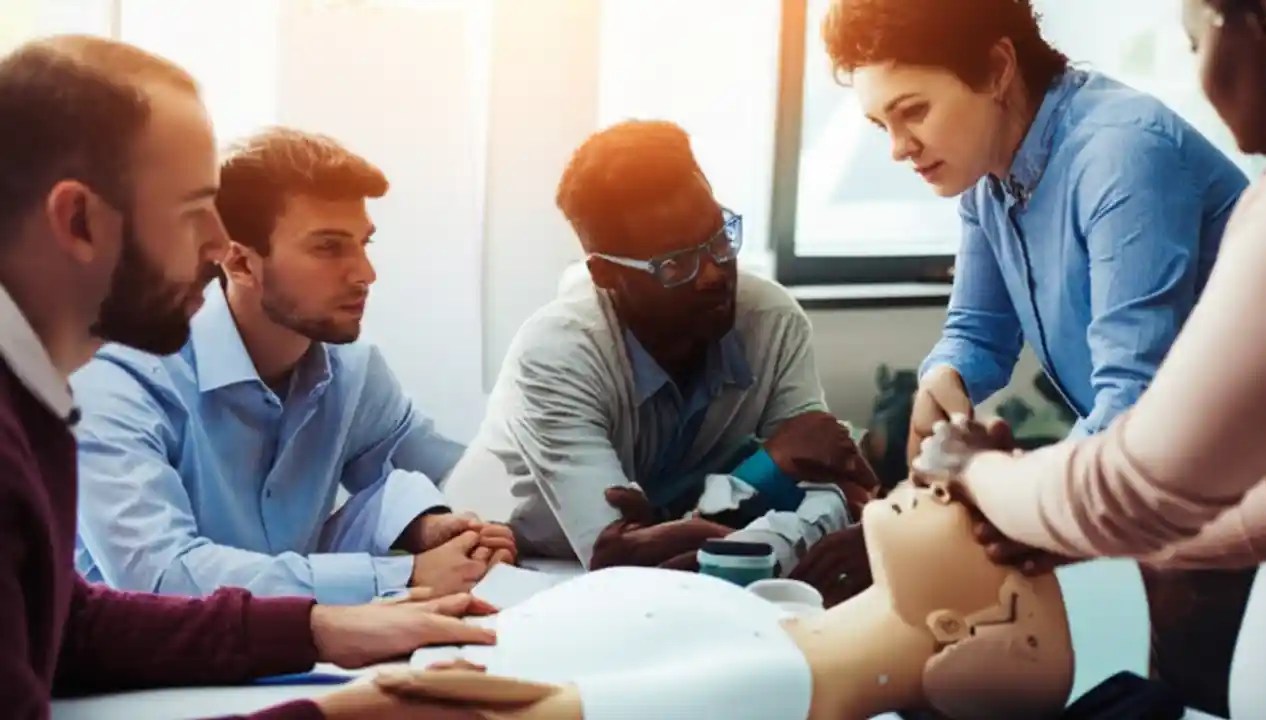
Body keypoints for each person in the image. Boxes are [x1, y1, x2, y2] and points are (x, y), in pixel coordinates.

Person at [0, 34, 507, 720]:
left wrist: (321, 626)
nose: (217, 246)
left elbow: (66, 621)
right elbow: (148, 579)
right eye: (191, 210)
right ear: (79, 219)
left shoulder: (33, 394)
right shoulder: (76, 398)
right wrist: (345, 709)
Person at [820, 0, 1255, 711]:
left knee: (1196, 693)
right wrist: (946, 374)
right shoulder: (988, 170)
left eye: (913, 111)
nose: (898, 147)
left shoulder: (1122, 155)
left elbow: (1129, 404)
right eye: (880, 125)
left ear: (995, 68)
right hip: (1170, 476)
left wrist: (998, 500)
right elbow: (978, 331)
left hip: (1232, 488)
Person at [71, 127, 516, 605]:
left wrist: (435, 527)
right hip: (137, 672)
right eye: (328, 247)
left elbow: (454, 475)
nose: (365, 274)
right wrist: (399, 575)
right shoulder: (118, 375)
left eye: (364, 243)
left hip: (292, 657)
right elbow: (159, 577)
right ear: (240, 263)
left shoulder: (353, 371)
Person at [450, 120, 879, 591]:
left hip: (665, 563)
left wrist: (686, 524)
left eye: (719, 240)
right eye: (675, 264)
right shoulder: (555, 354)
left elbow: (831, 477)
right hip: (518, 564)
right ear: (606, 275)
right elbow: (614, 559)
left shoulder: (771, 320)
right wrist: (768, 476)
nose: (714, 275)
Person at [351, 481, 1075, 720]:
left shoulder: (776, 681)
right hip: (427, 642)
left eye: (990, 532)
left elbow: (515, 711)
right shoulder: (786, 626)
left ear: (956, 626)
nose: (959, 487)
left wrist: (346, 700)